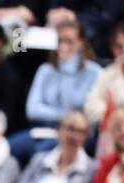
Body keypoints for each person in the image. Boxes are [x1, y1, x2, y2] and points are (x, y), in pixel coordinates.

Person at [10, 19, 101, 163]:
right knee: (8, 148)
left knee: (38, 154)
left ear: (80, 43)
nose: (63, 47)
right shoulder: (45, 70)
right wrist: (62, 115)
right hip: (43, 129)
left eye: (69, 41)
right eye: (60, 41)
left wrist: (68, 69)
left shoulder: (94, 72)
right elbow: (32, 110)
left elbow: (76, 109)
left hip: (74, 133)